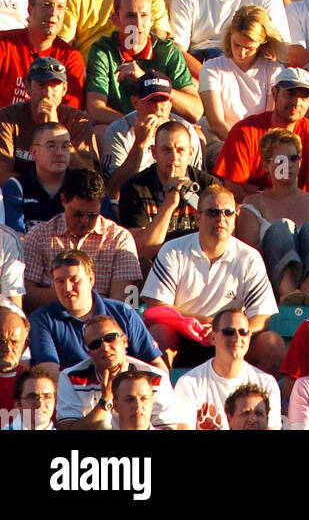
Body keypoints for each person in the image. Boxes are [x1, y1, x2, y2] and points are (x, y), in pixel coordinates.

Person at [141, 185, 280, 371]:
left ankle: (257, 398)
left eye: (228, 213)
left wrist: (227, 331)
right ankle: (162, 397)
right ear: (198, 218)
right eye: (213, 212)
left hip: (229, 339)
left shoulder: (249, 257)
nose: (221, 218)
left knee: (271, 343)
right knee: (159, 333)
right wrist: (202, 322)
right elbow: (157, 306)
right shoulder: (173, 249)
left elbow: (262, 318)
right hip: (182, 337)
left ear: (234, 220)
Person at [84, 0, 200, 132]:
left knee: (197, 137)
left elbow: (195, 110)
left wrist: (148, 80)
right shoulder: (103, 50)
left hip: (163, 129)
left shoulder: (167, 50)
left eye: (144, 15)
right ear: (115, 20)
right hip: (123, 128)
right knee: (100, 131)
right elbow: (95, 108)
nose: (138, 23)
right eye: (130, 16)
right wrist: (138, 124)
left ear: (152, 20)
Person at [212, 65, 309, 204]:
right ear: (274, 93)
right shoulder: (246, 131)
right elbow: (234, 190)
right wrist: (280, 200)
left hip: (302, 214)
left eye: (304, 97)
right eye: (290, 94)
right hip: (255, 213)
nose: (297, 102)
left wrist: (259, 190)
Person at [235, 128, 309, 304]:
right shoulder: (253, 205)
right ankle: (288, 293)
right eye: (281, 160)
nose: (288, 165)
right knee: (281, 227)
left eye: (294, 158)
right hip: (270, 291)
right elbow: (247, 256)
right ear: (265, 165)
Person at [26, 248, 163, 371]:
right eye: (60, 281)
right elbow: (50, 375)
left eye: (74, 279)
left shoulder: (122, 313)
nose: (67, 288)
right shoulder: (41, 320)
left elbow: (156, 365)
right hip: (73, 396)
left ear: (91, 279)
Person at [21, 167, 141, 308]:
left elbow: (122, 305)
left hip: (103, 321)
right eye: (77, 214)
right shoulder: (39, 236)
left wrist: (75, 296)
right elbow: (25, 295)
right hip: (52, 321)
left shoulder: (119, 240)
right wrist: (71, 294)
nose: (84, 221)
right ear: (63, 200)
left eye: (92, 215)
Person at [117, 118, 218, 264]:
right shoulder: (135, 188)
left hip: (198, 262)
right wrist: (169, 205)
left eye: (180, 150)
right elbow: (142, 251)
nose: (174, 158)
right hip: (155, 267)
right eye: (166, 150)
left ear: (191, 153)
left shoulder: (208, 186)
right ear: (154, 153)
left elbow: (221, 239)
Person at [55, 311, 178, 430]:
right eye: (95, 344)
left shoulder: (156, 378)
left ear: (124, 341)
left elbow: (169, 427)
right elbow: (68, 428)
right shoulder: (71, 377)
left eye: (110, 338)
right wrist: (105, 401)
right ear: (89, 352)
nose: (105, 347)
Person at [172, 305, 281, 430]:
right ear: (213, 338)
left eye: (243, 332)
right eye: (229, 332)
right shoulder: (189, 383)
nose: (237, 338)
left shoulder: (267, 383)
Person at [0, 0, 88, 136]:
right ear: (30, 9)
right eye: (47, 4)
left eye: (60, 7)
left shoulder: (71, 57)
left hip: (51, 138)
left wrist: (52, 122)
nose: (53, 13)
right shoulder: (4, 43)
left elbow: (70, 116)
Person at [198, 5, 286, 145]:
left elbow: (271, 120)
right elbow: (216, 123)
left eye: (248, 48)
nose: (241, 53)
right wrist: (242, 147)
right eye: (236, 45)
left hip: (260, 144)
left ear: (261, 44)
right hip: (222, 142)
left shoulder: (274, 71)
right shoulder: (212, 68)